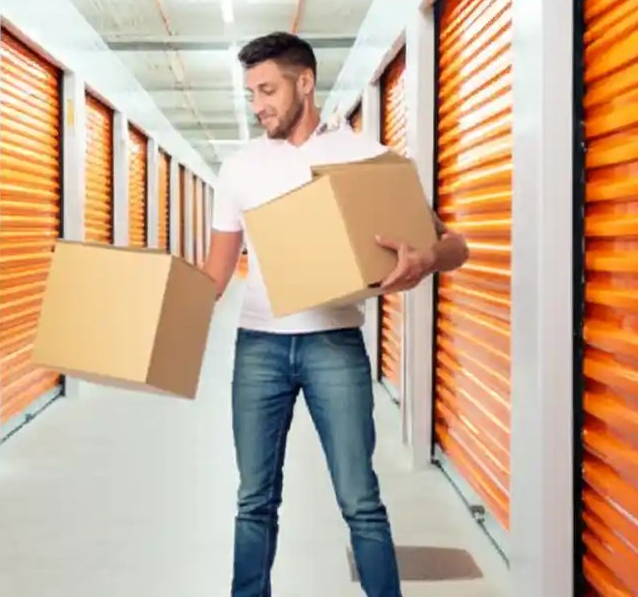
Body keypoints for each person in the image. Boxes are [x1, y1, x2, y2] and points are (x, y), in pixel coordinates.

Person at [202, 32, 471, 597]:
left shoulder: (367, 159)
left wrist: (424, 258)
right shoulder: (240, 169)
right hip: (259, 345)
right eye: (251, 93)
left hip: (334, 345)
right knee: (254, 500)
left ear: (305, 82)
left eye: (268, 90)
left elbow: (456, 247)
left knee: (360, 499)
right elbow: (214, 277)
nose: (258, 106)